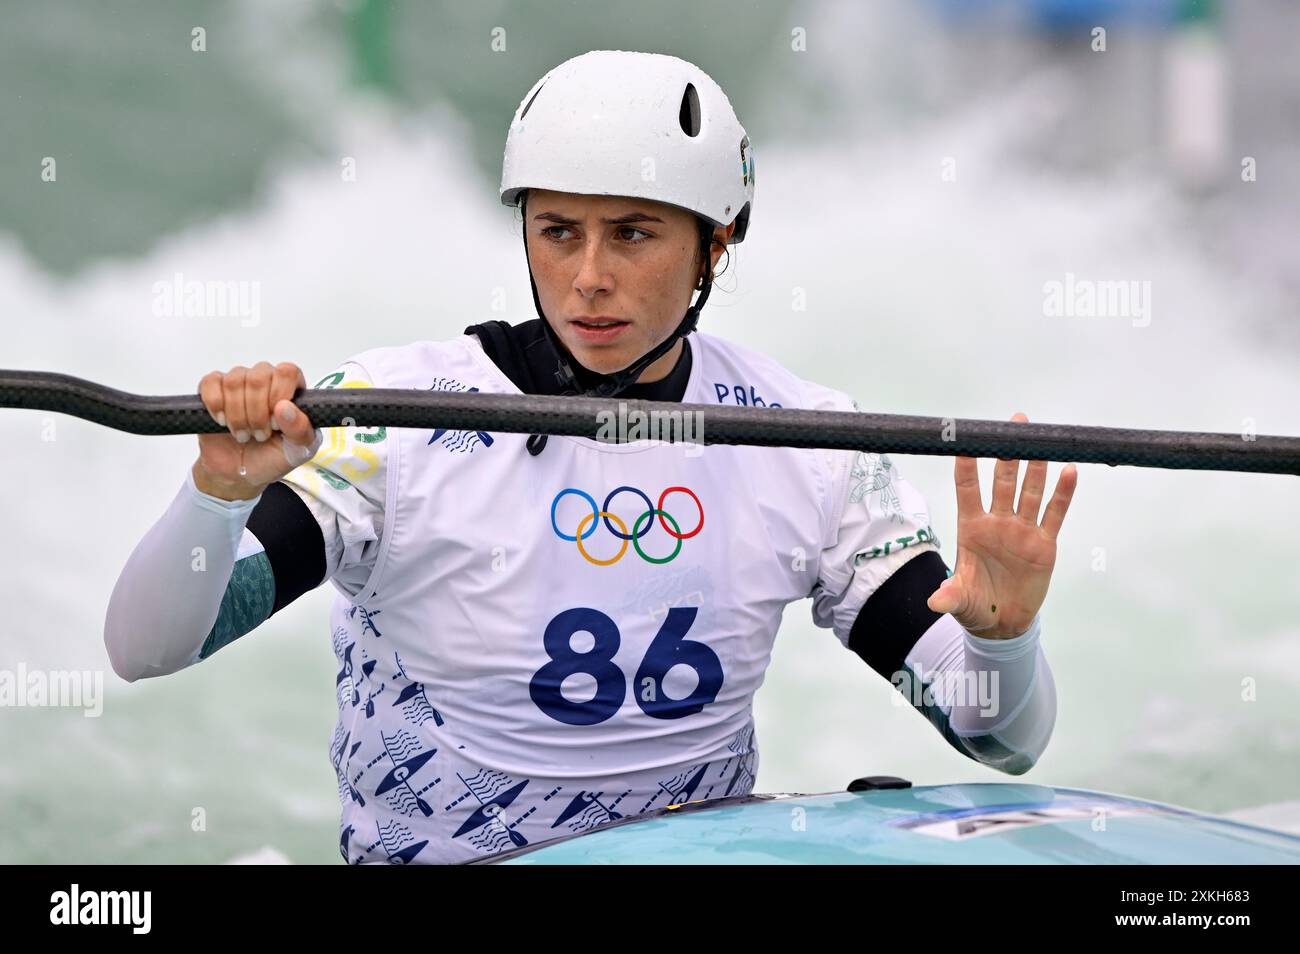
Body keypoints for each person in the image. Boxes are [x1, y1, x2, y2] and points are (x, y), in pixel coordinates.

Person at [104, 50, 1078, 864]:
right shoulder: (391, 420)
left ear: (716, 243)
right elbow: (144, 650)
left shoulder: (802, 439)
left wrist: (1000, 638)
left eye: (633, 234)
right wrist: (214, 497)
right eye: (557, 232)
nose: (588, 279)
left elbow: (1002, 742)